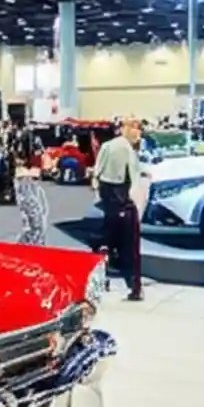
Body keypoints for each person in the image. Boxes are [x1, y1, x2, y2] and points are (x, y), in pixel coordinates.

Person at [92, 119, 144, 300]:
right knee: (130, 249)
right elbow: (135, 180)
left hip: (110, 201)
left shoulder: (108, 147)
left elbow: (96, 173)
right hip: (124, 201)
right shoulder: (128, 149)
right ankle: (134, 287)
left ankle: (99, 283)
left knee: (104, 244)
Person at [11, 124, 48, 245]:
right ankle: (31, 245)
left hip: (21, 177)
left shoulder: (16, 142)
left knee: (30, 216)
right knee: (36, 218)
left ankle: (28, 245)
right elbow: (42, 161)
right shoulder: (36, 143)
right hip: (30, 178)